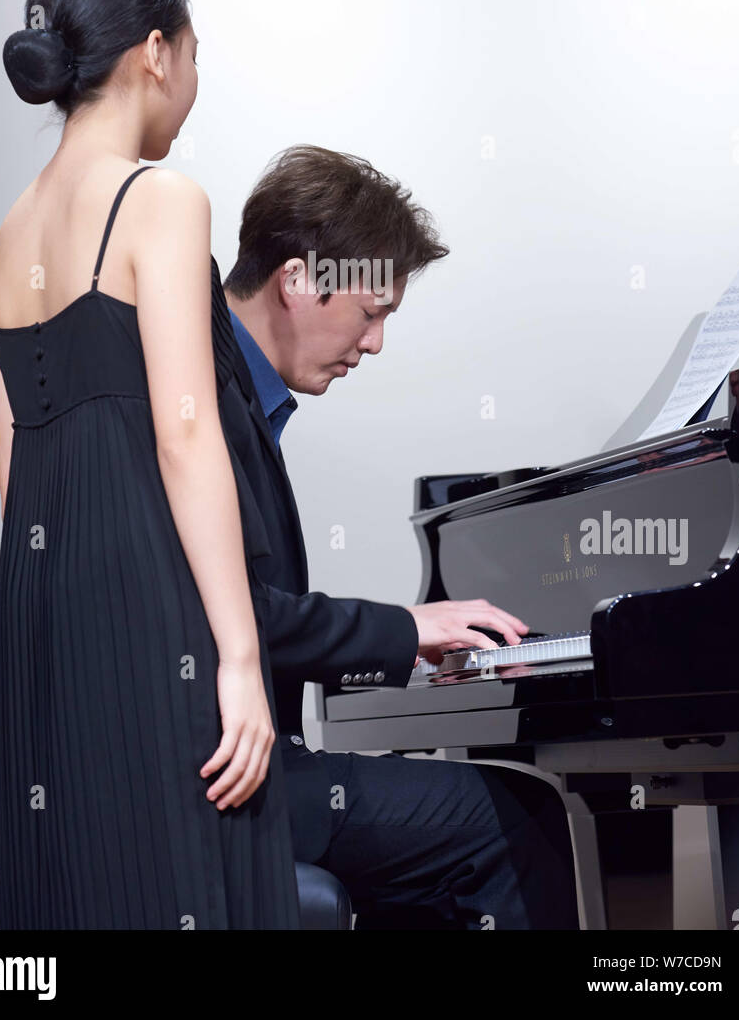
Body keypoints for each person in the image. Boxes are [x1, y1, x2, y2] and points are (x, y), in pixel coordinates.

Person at [0, 0, 300, 929]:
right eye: (195, 54)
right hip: (153, 605)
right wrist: (241, 658)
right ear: (156, 53)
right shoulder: (159, 199)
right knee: (190, 875)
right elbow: (187, 431)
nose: (193, 81)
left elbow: (16, 473)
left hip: (41, 614)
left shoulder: (6, 236)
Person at [211, 144, 580, 929]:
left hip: (228, 763)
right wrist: (403, 629)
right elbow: (224, 611)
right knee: (511, 818)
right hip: (211, 778)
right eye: (371, 313)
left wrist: (397, 642)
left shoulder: (225, 380)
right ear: (299, 281)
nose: (374, 344)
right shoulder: (202, 392)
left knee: (442, 831)